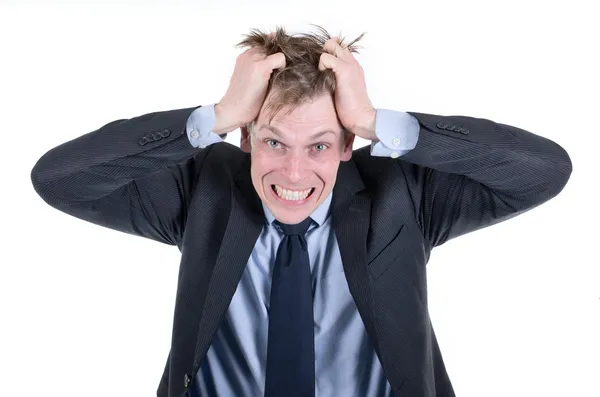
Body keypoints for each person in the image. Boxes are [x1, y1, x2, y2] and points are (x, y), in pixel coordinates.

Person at [30, 25, 572, 397]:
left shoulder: (401, 195)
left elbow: (542, 170)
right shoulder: (206, 189)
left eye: (317, 145)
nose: (292, 175)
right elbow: (60, 180)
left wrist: (380, 121)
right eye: (273, 142)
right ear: (245, 137)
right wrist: (211, 117)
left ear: (346, 144)